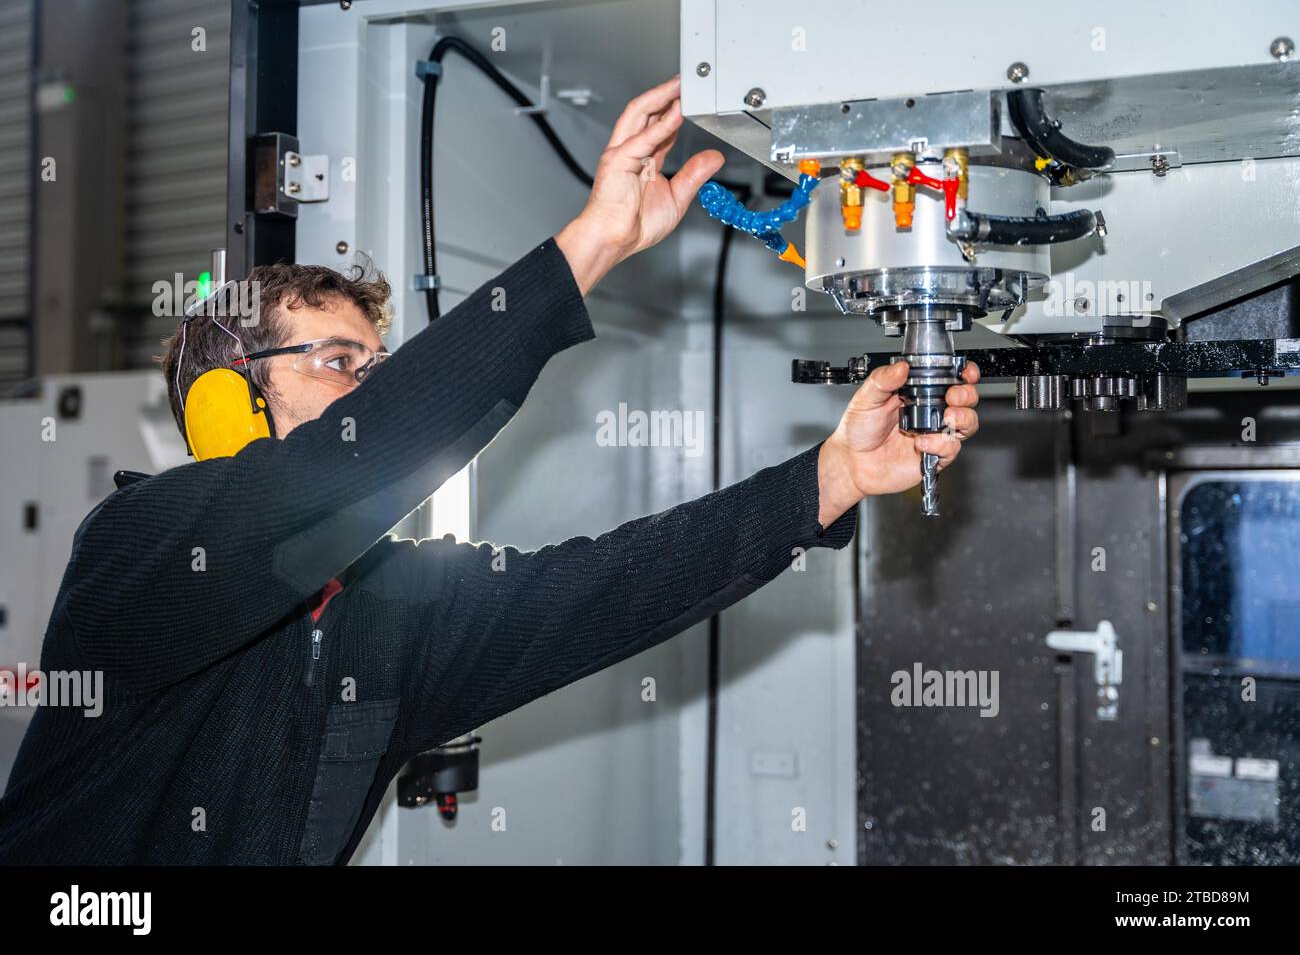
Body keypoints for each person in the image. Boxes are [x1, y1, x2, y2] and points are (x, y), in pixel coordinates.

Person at [0, 77, 979, 864]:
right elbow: (357, 459)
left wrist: (832, 477)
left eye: (377, 368)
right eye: (338, 363)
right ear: (228, 397)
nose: (369, 388)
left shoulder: (388, 610)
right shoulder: (140, 551)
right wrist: (590, 244)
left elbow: (609, 590)